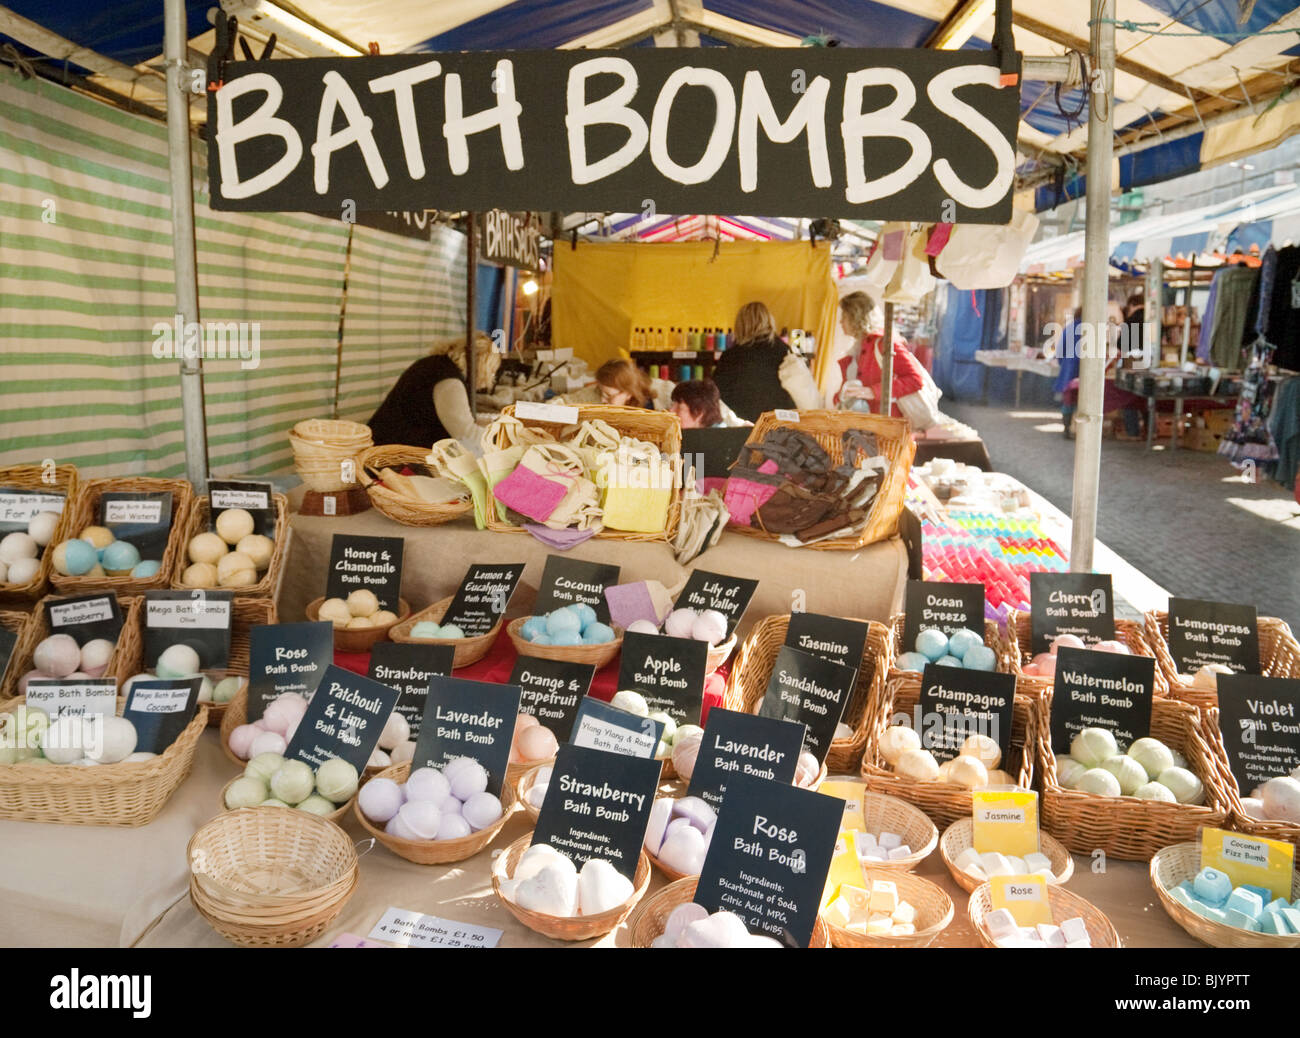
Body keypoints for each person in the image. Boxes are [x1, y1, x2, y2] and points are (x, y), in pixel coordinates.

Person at [368, 333, 500, 449]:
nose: (491, 379)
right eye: (492, 372)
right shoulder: (449, 381)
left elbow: (461, 418)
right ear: (483, 365)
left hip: (385, 442)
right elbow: (466, 436)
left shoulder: (436, 365)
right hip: (392, 454)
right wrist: (502, 441)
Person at [711, 301, 821, 421]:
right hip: (782, 425)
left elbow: (716, 395)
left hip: (742, 430)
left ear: (740, 325)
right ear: (769, 322)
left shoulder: (730, 357)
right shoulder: (785, 352)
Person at [836, 291, 933, 421]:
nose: (841, 321)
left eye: (845, 316)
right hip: (867, 426)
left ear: (856, 317)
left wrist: (873, 391)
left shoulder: (884, 343)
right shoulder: (857, 348)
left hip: (889, 426)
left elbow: (915, 379)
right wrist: (840, 396)